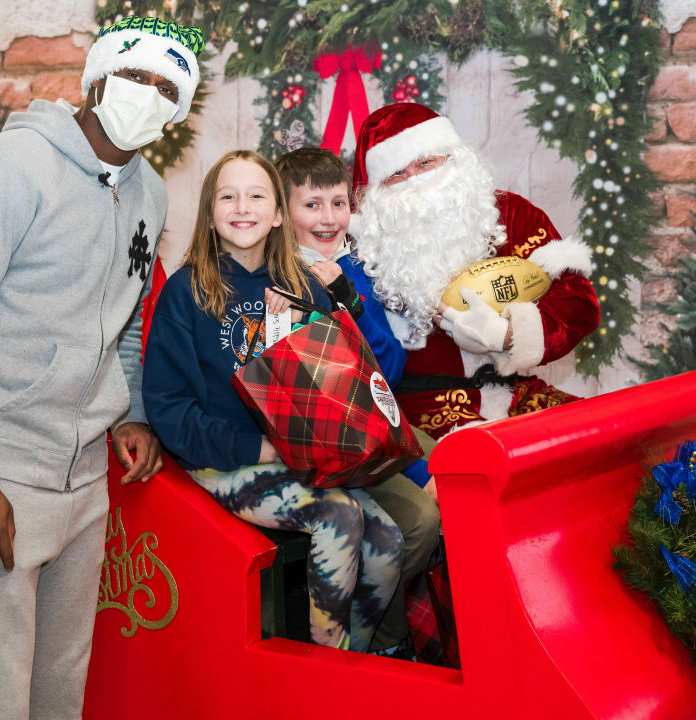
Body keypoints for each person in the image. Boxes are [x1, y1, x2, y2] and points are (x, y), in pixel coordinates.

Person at [0, 16, 202, 719]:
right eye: (134, 77)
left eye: (166, 87)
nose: (146, 95)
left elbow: (123, 316)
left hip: (80, 480)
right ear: (96, 81)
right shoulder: (4, 169)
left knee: (58, 692)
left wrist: (131, 414)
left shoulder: (149, 194)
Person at [142, 150, 404, 652]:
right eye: (228, 195)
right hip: (223, 460)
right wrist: (257, 448)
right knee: (340, 517)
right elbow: (168, 408)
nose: (243, 206)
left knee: (388, 537)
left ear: (278, 213)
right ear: (210, 212)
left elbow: (346, 380)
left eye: (257, 195)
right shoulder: (186, 292)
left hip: (299, 457)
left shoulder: (302, 284)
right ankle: (325, 677)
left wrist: (298, 324)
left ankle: (367, 664)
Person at [350, 103, 601, 499]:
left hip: (519, 391)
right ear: (376, 194)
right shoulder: (365, 249)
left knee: (599, 445)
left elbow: (579, 302)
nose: (415, 181)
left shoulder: (509, 215)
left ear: (452, 158)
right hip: (421, 406)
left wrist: (508, 335)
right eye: (397, 174)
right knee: (479, 485)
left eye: (426, 163)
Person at [274, 147, 439, 659]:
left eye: (338, 203)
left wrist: (347, 293)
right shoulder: (279, 277)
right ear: (283, 212)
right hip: (322, 439)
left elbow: (388, 367)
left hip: (371, 418)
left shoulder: (350, 264)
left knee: (457, 478)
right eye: (312, 205)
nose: (328, 218)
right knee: (420, 520)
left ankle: (404, 627)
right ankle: (382, 642)